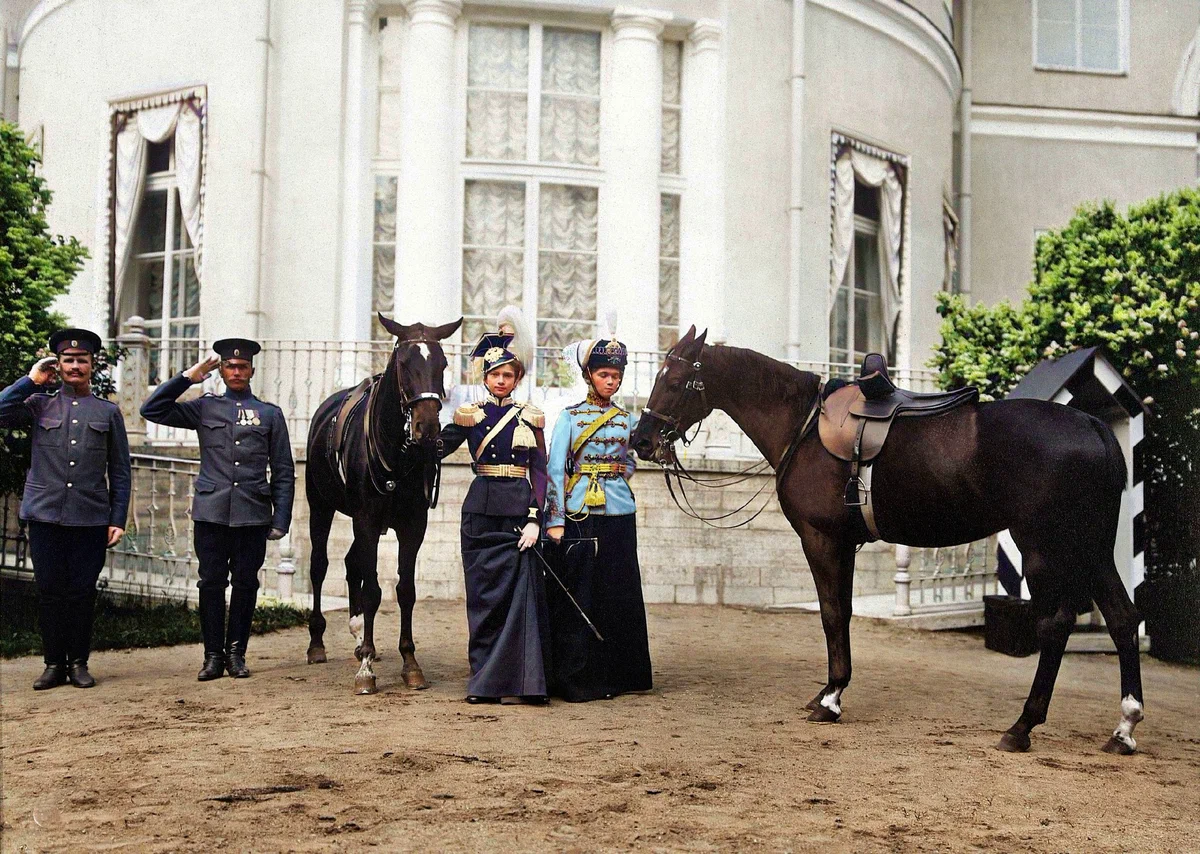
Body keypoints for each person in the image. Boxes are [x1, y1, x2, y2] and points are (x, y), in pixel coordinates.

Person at [140, 339, 294, 681]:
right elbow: (151, 410)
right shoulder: (204, 407)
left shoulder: (269, 414)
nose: (236, 371)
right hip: (210, 513)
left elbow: (283, 470)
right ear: (221, 370)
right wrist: (188, 377)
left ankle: (237, 654)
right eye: (229, 366)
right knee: (210, 583)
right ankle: (212, 656)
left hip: (252, 513)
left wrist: (281, 518)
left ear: (252, 370)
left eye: (242, 367)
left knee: (245, 584)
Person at [0, 329, 131, 690]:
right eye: (68, 360)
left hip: (89, 517)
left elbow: (119, 470)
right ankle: (53, 664)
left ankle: (78, 663)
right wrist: (30, 380)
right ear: (57, 365)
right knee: (50, 591)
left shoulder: (107, 412)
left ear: (93, 365)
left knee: (82, 591)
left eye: (82, 360)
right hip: (45, 514)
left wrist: (116, 518)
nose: (75, 366)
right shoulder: (38, 403)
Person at [439, 307, 550, 705]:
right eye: (495, 375)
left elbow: (540, 471)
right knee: (483, 599)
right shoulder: (470, 415)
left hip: (520, 515)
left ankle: (522, 682)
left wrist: (537, 519)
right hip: (481, 513)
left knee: (520, 601)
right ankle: (484, 680)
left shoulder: (531, 417)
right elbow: (435, 447)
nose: (502, 381)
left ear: (517, 378)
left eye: (509, 375)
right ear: (484, 378)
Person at [544, 322, 652, 701]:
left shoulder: (626, 419)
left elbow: (632, 458)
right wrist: (554, 521)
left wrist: (627, 468)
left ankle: (619, 675)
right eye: (604, 374)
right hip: (579, 513)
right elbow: (555, 471)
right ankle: (577, 678)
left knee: (618, 594)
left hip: (619, 511)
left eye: (616, 375)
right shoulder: (570, 418)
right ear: (589, 375)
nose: (611, 381)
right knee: (581, 594)